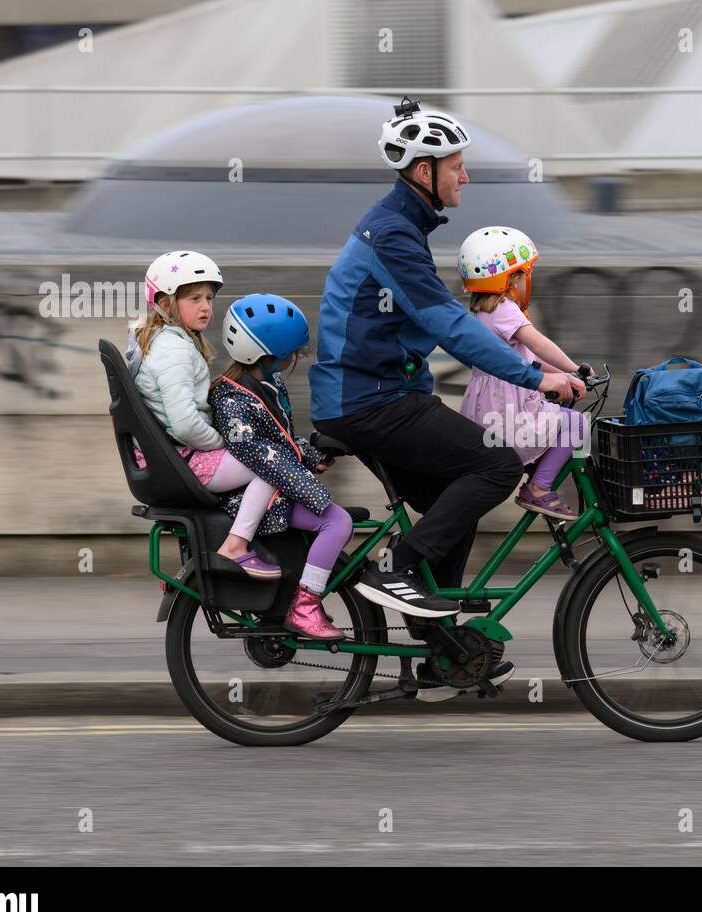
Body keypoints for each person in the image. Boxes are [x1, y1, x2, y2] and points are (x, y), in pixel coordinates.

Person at [308, 97, 584, 700]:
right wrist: (536, 379)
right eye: (457, 165)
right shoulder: (393, 236)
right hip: (371, 401)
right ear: (422, 170)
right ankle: (400, 570)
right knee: (495, 464)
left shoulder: (400, 228)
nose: (466, 175)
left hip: (376, 395)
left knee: (451, 511)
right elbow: (449, 326)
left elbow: (437, 323)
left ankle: (441, 649)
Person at [125, 251, 280, 579]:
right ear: (165, 303)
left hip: (176, 457)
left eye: (209, 297)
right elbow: (184, 424)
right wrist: (223, 441)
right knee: (272, 463)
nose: (206, 306)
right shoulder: (175, 351)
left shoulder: (164, 342)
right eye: (194, 298)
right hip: (186, 459)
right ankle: (236, 546)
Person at [208, 294, 354, 640]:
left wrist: (309, 456)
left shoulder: (268, 384)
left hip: (274, 489)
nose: (294, 359)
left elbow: (280, 441)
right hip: (253, 501)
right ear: (266, 354)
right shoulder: (231, 398)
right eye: (291, 353)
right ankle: (305, 607)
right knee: (337, 522)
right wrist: (305, 482)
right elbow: (256, 452)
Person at [457, 226, 590, 520]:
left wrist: (570, 377)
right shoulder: (505, 309)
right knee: (578, 424)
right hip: (508, 413)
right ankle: (540, 489)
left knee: (559, 421)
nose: (526, 281)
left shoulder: (481, 313)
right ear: (508, 277)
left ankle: (537, 478)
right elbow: (540, 346)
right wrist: (573, 368)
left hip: (487, 413)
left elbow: (530, 364)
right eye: (522, 274)